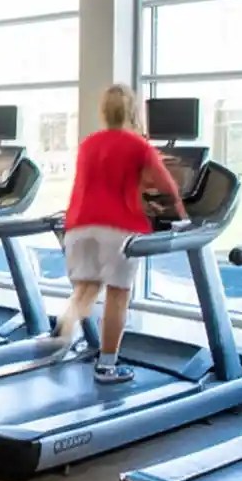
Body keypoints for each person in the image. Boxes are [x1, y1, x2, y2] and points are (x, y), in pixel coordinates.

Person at [50, 84, 187, 384]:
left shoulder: (89, 143)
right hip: (117, 227)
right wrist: (181, 213)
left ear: (103, 111)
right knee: (117, 295)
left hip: (79, 226)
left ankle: (64, 328)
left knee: (86, 288)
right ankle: (107, 366)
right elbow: (166, 186)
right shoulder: (139, 145)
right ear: (133, 111)